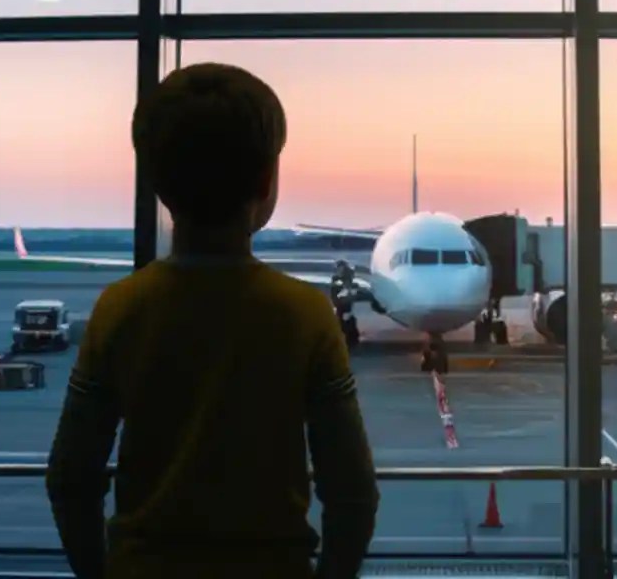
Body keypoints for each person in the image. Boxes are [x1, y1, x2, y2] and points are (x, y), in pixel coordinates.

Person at [45, 62, 380, 579]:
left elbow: (70, 479)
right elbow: (353, 491)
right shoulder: (305, 313)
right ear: (268, 181)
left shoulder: (120, 307)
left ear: (156, 183)